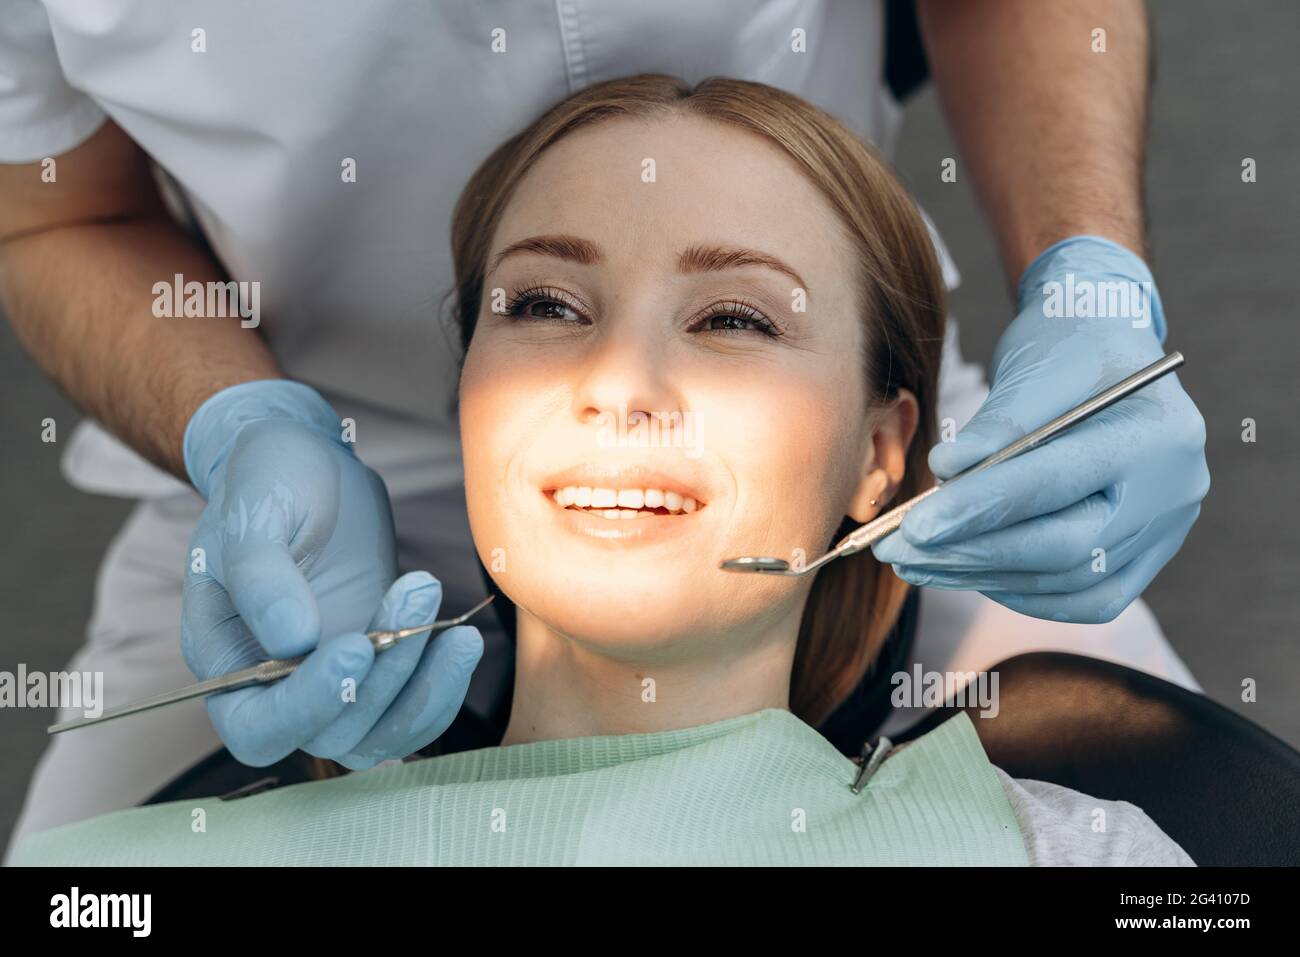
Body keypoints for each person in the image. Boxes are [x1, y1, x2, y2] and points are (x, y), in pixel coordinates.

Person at [0, 1, 1207, 854]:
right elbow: (53, 216)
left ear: (883, 451)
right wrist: (247, 428)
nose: (616, 381)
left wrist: (1091, 281)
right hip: (291, 443)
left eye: (733, 316)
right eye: (538, 304)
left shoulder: (1092, 854)